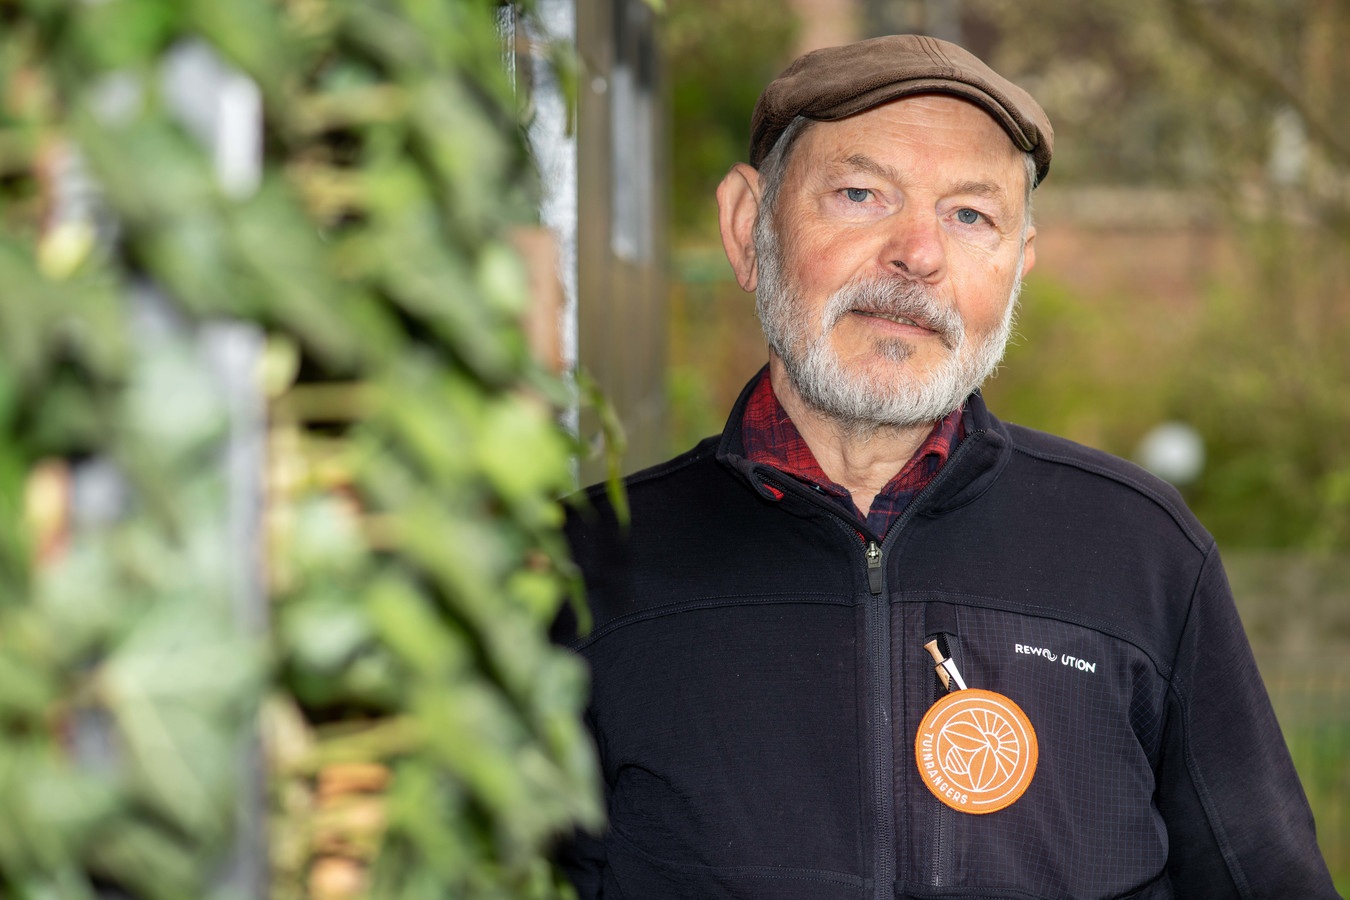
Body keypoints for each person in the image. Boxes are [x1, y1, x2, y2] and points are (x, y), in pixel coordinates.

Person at [554, 34, 1341, 900]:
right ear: (749, 228)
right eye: (861, 194)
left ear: (1016, 267)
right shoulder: (591, 566)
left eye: (971, 215)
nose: (918, 254)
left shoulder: (1142, 553)